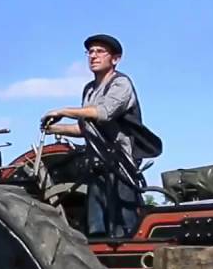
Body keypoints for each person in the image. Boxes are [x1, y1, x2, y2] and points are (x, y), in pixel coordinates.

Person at [40, 33, 159, 238]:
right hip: (97, 165)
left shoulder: (121, 83)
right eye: (90, 52)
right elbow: (86, 129)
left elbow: (103, 113)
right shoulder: (89, 89)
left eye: (100, 51)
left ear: (115, 58)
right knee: (97, 228)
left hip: (121, 165)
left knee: (123, 227)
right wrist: (53, 129)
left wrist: (63, 111)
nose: (93, 56)